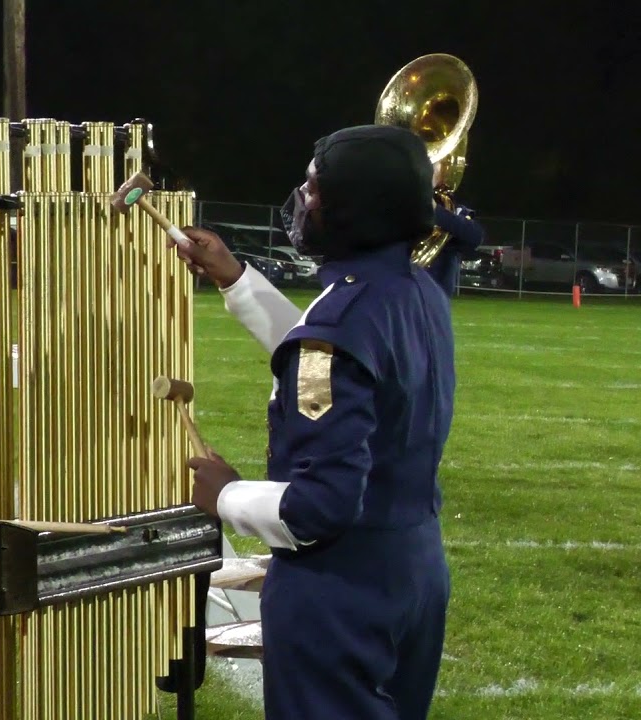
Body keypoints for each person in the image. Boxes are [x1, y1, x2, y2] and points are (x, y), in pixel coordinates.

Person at [181, 125, 455, 719]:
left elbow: (319, 507)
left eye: (313, 188)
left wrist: (226, 494)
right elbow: (330, 360)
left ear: (351, 207)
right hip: (414, 568)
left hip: (341, 589)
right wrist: (236, 278)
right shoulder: (416, 291)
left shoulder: (339, 323)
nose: (303, 200)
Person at [421, 163, 486, 295]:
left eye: (433, 165)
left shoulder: (451, 208)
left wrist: (435, 210)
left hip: (435, 296)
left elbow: (475, 237)